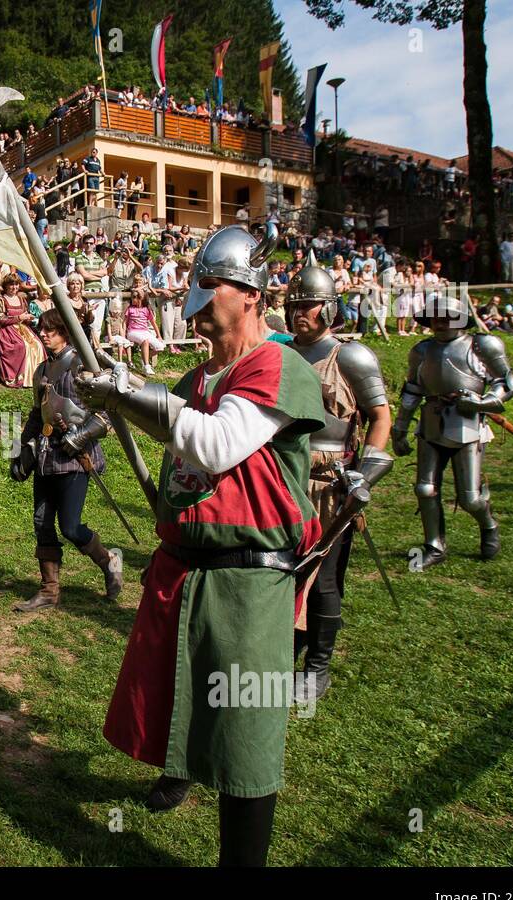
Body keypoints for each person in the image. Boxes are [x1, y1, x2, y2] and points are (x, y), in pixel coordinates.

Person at [75, 224, 326, 866]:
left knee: (246, 732)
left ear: (250, 294)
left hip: (248, 579)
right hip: (184, 566)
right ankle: (179, 772)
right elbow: (177, 447)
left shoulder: (279, 366)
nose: (199, 303)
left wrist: (129, 394)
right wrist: (106, 394)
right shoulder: (196, 379)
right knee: (179, 696)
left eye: (212, 287)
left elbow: (216, 444)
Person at [285, 258, 394, 699]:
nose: (300, 313)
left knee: (323, 577)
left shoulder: (351, 356)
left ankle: (318, 667)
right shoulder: (281, 353)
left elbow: (381, 417)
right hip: (284, 476)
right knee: (283, 569)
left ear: (329, 308)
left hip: (330, 482)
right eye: (294, 305)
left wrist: (362, 476)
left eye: (308, 304)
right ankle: (285, 648)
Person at [392, 294, 513, 569]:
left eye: (447, 317)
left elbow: (507, 383)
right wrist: (400, 427)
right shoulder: (422, 350)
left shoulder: (481, 345)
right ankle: (434, 545)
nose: (440, 323)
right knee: (425, 488)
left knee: (470, 498)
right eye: (435, 318)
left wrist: (482, 402)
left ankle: (488, 525)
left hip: (467, 424)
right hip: (431, 422)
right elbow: (413, 390)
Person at [10, 308, 124, 611]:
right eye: (41, 329)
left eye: (50, 330)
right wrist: (20, 451)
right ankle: (49, 591)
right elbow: (37, 414)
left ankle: (110, 561)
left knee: (70, 527)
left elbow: (106, 412)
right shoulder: (41, 370)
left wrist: (80, 436)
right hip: (45, 457)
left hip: (75, 457)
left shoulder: (82, 365)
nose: (43, 334)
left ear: (64, 331)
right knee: (42, 523)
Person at [0, 274, 43, 388]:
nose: (14, 287)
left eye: (16, 284)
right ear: (5, 286)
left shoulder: (21, 299)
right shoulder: (1, 300)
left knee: (38, 345)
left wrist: (28, 318)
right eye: (11, 284)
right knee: (22, 346)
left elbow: (24, 315)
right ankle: (19, 378)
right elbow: (0, 319)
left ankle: (35, 377)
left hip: (23, 328)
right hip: (7, 330)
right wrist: (19, 318)